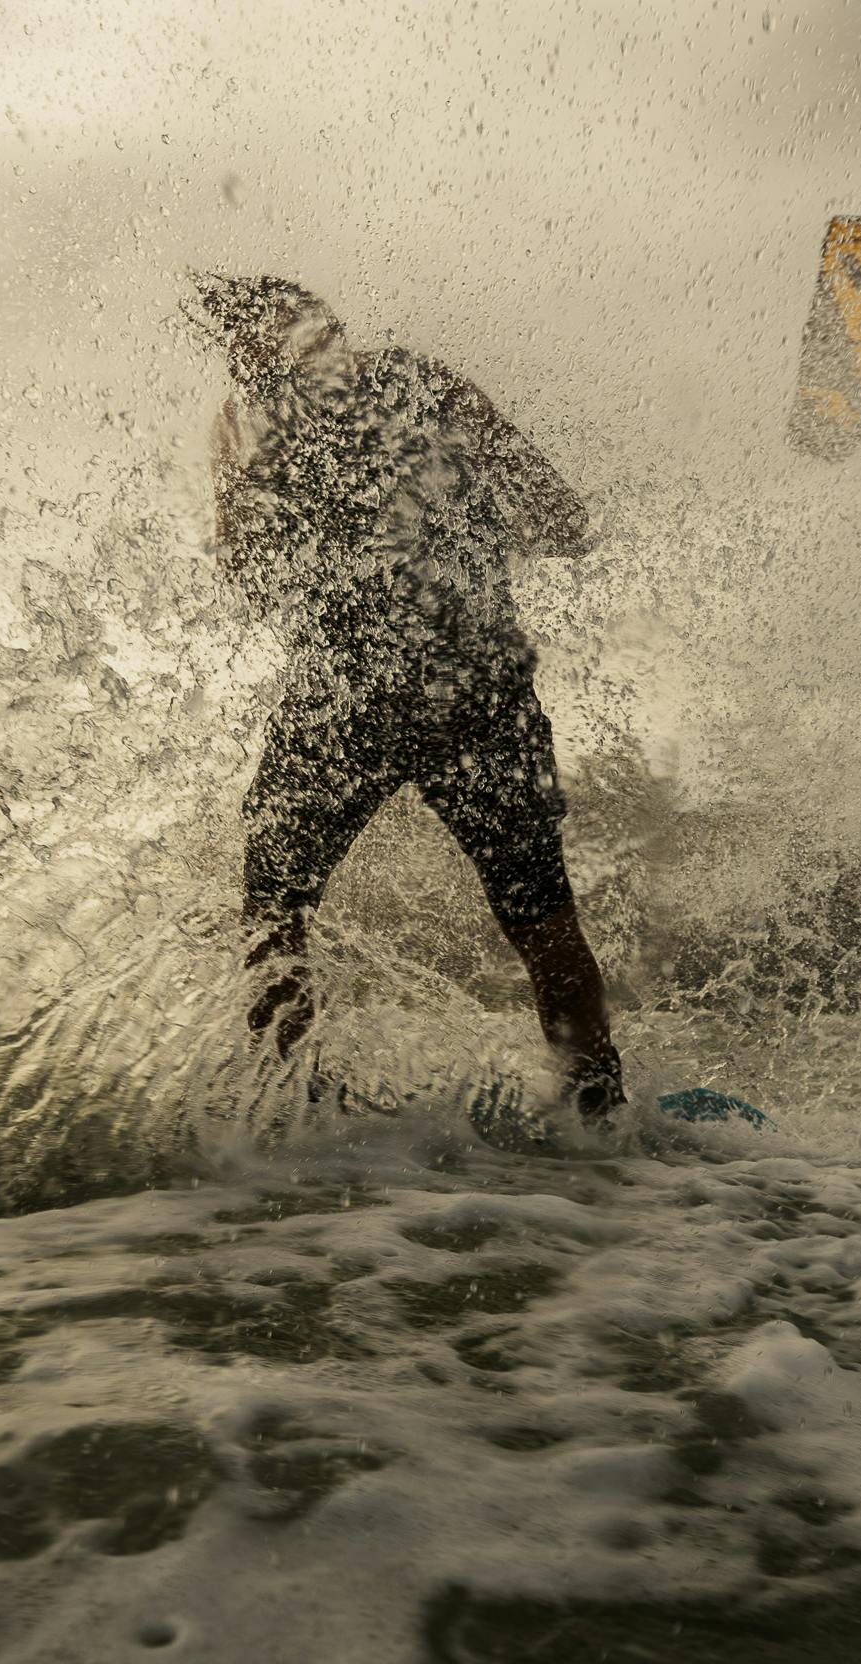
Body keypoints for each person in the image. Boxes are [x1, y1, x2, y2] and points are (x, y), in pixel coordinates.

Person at [185, 273, 625, 1121]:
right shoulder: (417, 385)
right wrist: (478, 540)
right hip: (468, 682)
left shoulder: (248, 424)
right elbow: (563, 518)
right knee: (537, 917)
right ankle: (599, 1116)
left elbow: (245, 572)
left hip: (356, 692)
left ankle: (286, 1116)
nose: (251, 357)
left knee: (274, 914)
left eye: (256, 338)